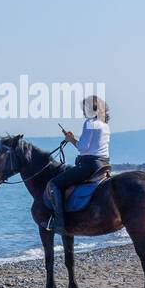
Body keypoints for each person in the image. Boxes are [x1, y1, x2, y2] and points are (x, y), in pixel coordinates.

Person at [50, 95, 112, 235]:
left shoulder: (89, 123)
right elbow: (92, 147)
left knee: (55, 183)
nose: (83, 111)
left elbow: (83, 148)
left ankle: (59, 223)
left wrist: (71, 139)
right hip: (104, 164)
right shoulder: (104, 124)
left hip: (90, 165)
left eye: (84, 108)